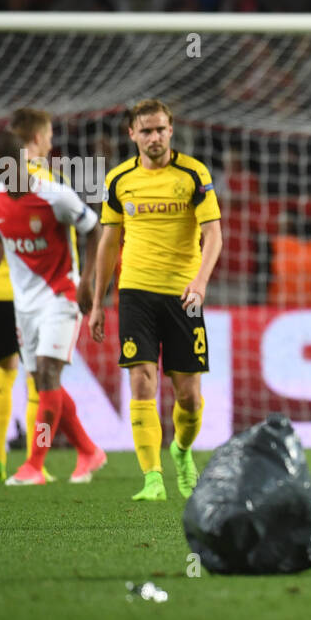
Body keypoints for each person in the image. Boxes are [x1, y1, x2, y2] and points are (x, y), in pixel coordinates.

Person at [89, 99, 223, 502]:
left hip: (184, 294)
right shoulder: (118, 180)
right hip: (135, 292)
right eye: (146, 131)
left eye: (161, 129)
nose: (155, 137)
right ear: (132, 134)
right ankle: (151, 478)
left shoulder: (193, 175)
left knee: (190, 397)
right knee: (141, 379)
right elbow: (108, 242)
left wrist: (200, 281)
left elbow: (213, 235)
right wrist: (98, 301)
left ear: (171, 130)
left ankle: (181, 452)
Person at [0, 132, 106, 485]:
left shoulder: (55, 196)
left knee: (46, 374)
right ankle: (89, 451)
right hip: (25, 305)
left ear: (8, 163)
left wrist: (88, 281)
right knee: (47, 383)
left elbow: (95, 230)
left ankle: (34, 464)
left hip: (61, 296)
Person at [0, 107, 62, 483]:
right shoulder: (43, 180)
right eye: (50, 136)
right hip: (36, 291)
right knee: (35, 379)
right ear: (38, 139)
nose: (52, 143)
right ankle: (32, 463)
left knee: (2, 370)